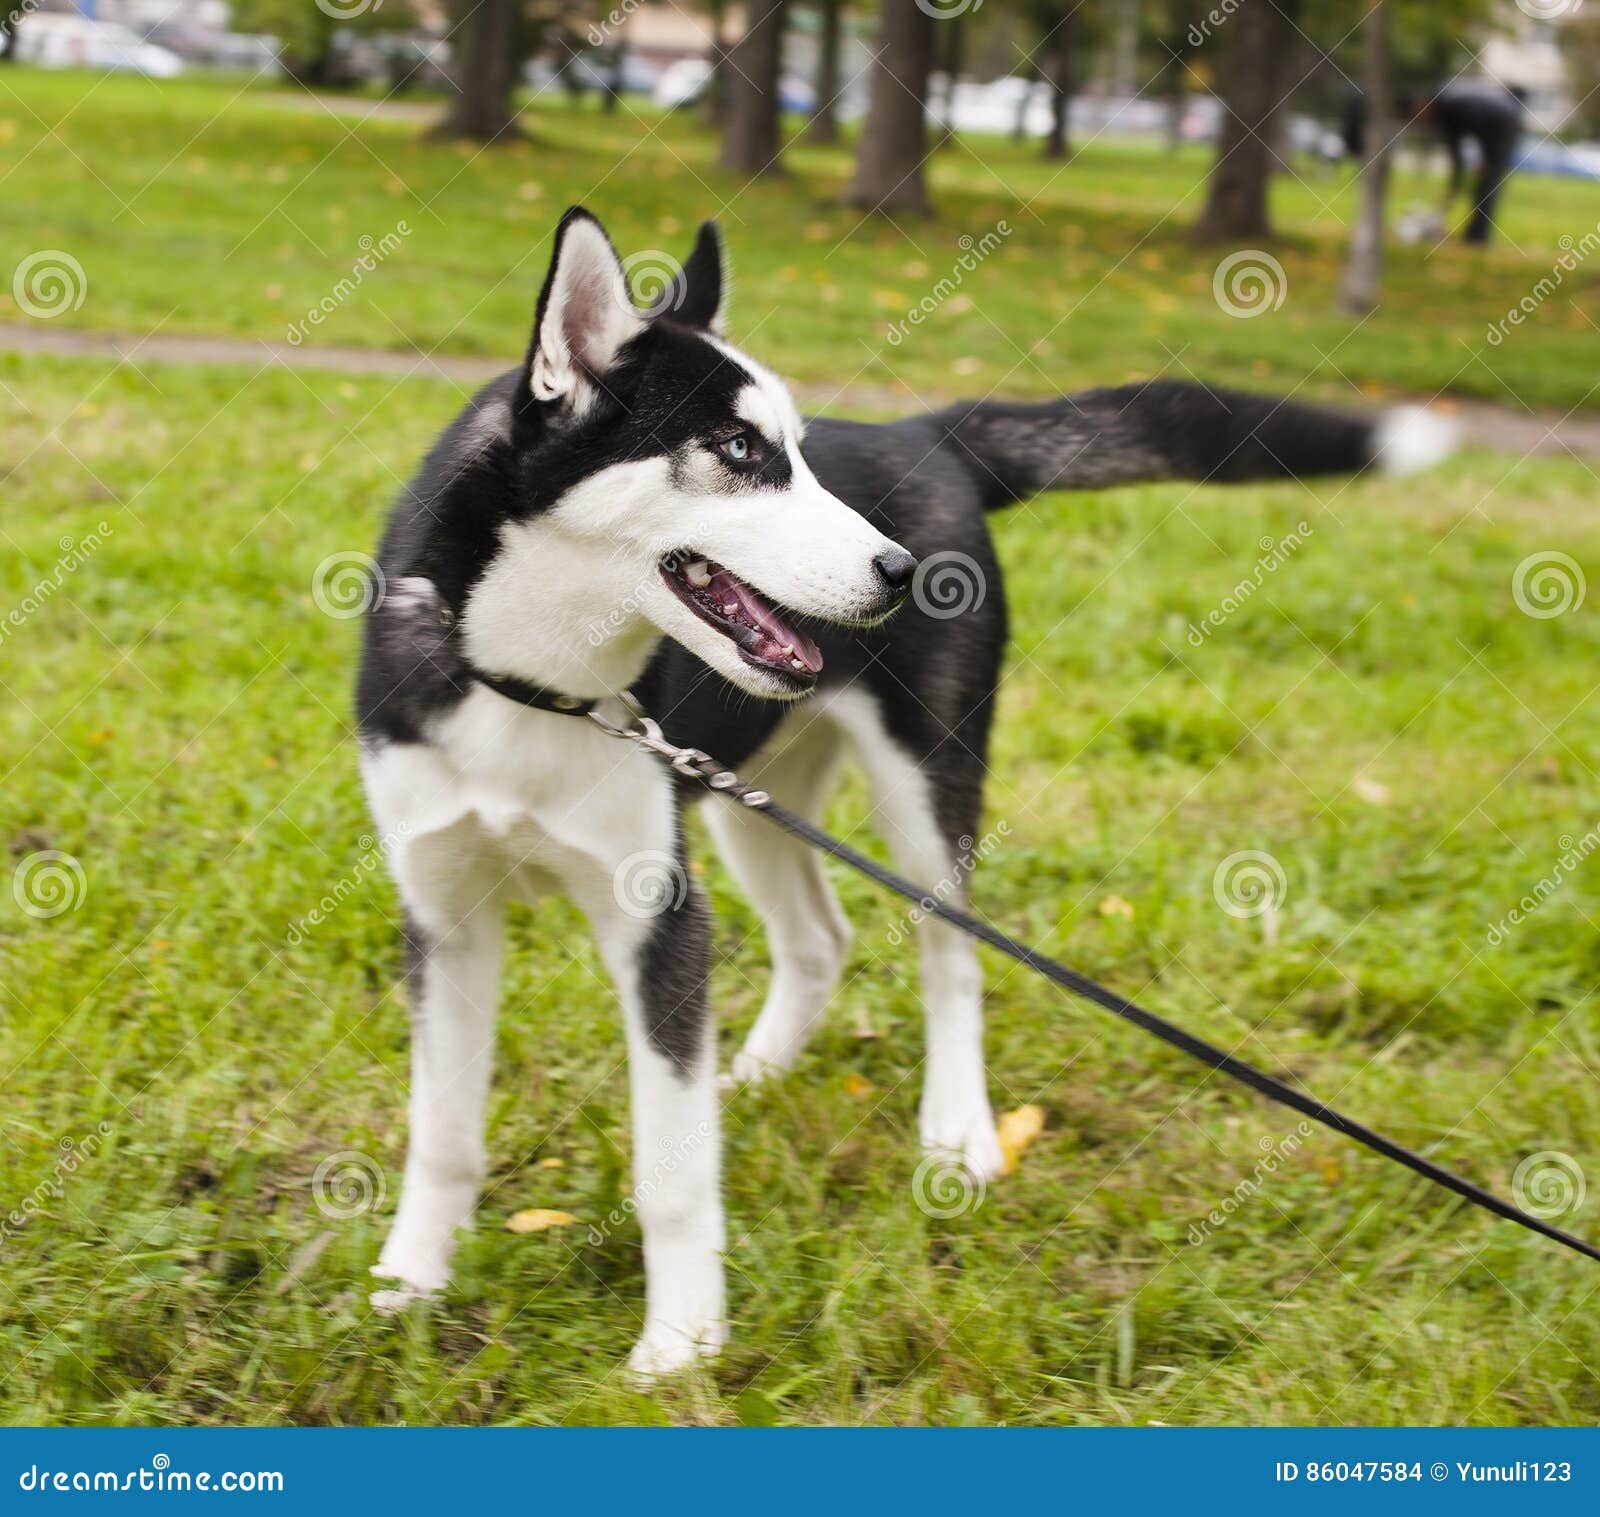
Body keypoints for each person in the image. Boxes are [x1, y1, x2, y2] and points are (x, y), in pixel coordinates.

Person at [1344, 80, 1526, 245]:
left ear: (1424, 105)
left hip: (1505, 123)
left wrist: (1473, 169)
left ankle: (1477, 238)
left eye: (1417, 115)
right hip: (1495, 124)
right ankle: (1474, 237)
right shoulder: (1444, 105)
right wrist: (1455, 185)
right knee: (1485, 181)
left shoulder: (1450, 109)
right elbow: (1458, 154)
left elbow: (1459, 154)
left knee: (1489, 184)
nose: (1418, 121)